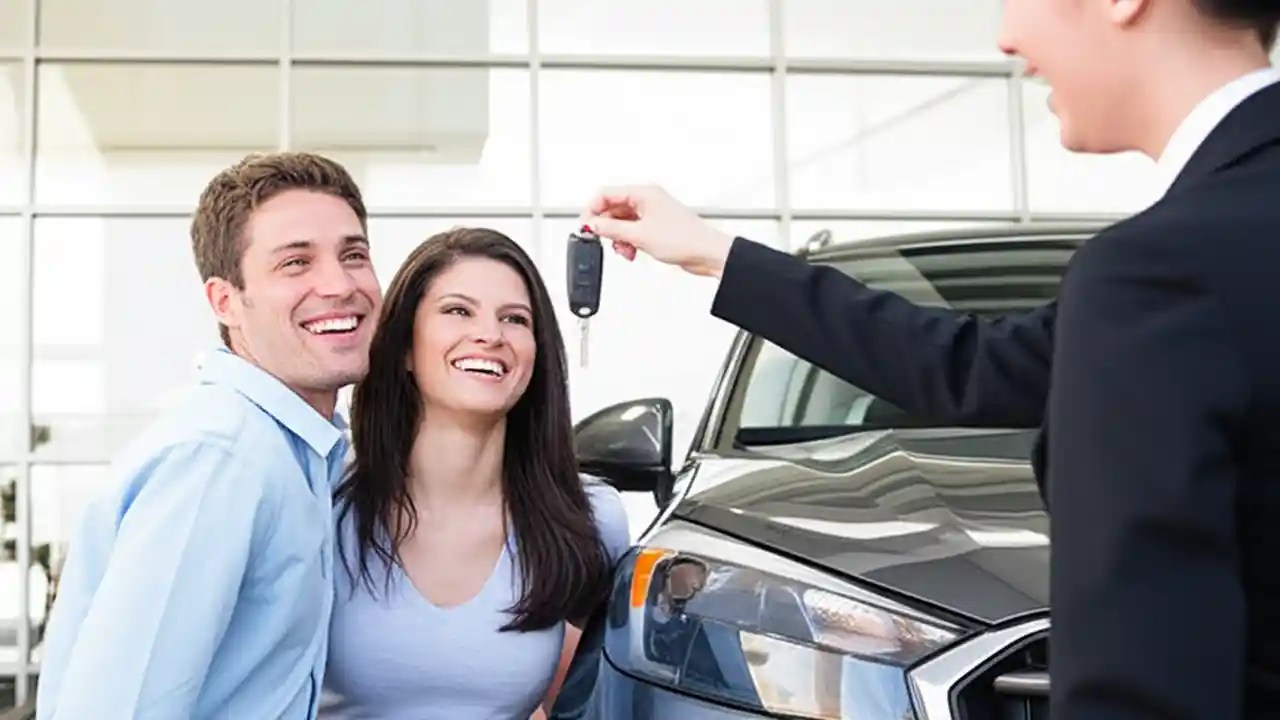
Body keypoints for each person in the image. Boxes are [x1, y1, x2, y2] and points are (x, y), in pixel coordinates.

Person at [579, 2, 1280, 718]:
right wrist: (713, 252)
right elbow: (973, 365)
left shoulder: (1158, 271)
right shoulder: (1206, 252)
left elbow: (1145, 676)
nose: (1007, 36)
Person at [35, 151, 382, 719]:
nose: (339, 284)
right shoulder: (222, 459)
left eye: (354, 255)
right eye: (296, 263)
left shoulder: (300, 455)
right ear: (226, 302)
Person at [319, 227, 630, 720]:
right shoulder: (321, 501)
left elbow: (595, 700)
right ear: (403, 346)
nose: (490, 335)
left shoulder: (588, 517)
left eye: (514, 319)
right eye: (458, 311)